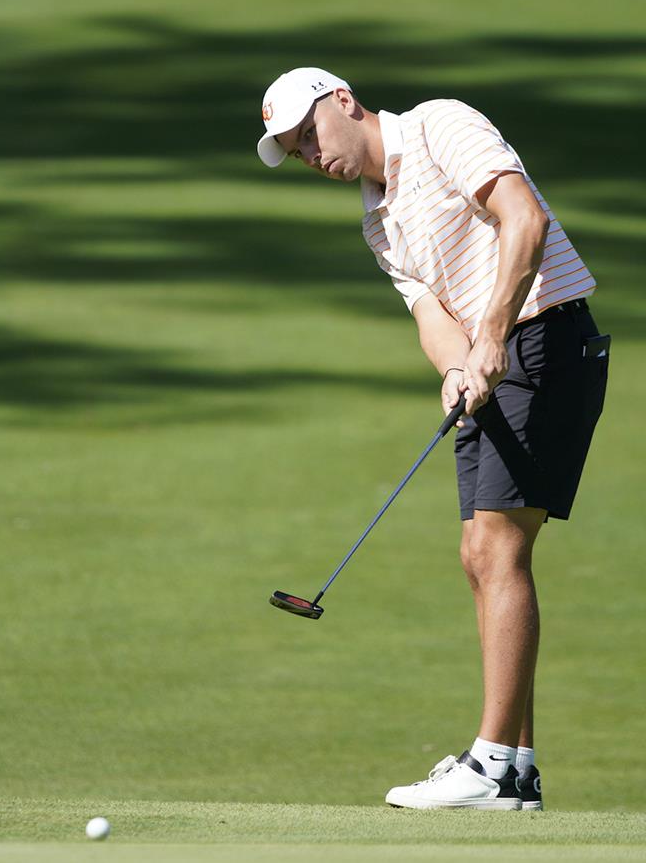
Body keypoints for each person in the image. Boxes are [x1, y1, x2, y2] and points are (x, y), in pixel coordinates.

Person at [255, 67, 609, 811]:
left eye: (309, 134)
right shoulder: (376, 218)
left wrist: (490, 336)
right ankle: (513, 770)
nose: (309, 155)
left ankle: (492, 765)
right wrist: (457, 367)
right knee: (478, 557)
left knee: (496, 547)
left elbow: (525, 221)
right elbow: (427, 313)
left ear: (343, 101)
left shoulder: (441, 124)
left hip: (544, 339)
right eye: (293, 151)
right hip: (491, 360)